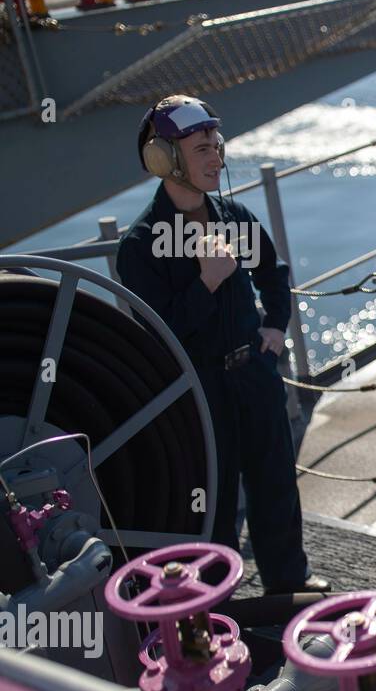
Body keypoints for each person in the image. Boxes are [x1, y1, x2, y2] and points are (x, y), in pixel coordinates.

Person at [116, 95, 329, 594]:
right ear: (164, 160)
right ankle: (212, 598)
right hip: (199, 389)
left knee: (275, 482)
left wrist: (275, 328)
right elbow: (159, 333)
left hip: (254, 373)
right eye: (201, 149)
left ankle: (288, 583)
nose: (217, 158)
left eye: (217, 145)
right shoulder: (142, 244)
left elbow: (274, 276)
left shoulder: (233, 216)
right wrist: (206, 282)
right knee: (208, 500)